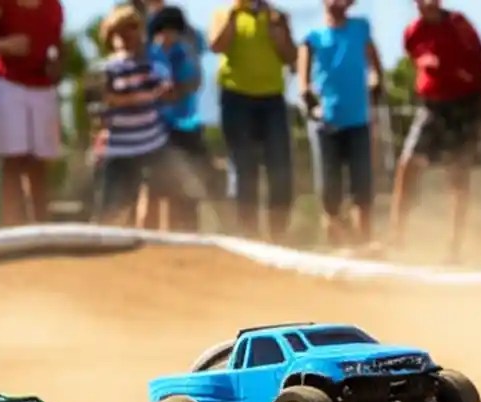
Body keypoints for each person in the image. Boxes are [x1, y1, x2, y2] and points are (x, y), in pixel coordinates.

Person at [391, 0, 481, 264]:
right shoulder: (413, 32)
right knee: (408, 164)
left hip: (462, 105)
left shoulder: (458, 24)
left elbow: (479, 61)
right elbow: (415, 57)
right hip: (432, 106)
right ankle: (397, 235)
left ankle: (454, 246)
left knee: (457, 176)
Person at [209, 0, 297, 242]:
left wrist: (278, 30)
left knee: (280, 168)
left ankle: (278, 235)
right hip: (236, 98)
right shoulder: (224, 13)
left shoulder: (278, 16)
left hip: (272, 99)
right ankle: (247, 234)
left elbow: (291, 56)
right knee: (243, 168)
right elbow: (217, 45)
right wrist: (234, 16)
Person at [299, 0, 383, 253]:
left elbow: (374, 64)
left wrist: (375, 81)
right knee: (329, 190)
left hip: (358, 119)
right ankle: (335, 245)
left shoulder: (361, 28)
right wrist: (310, 99)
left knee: (362, 187)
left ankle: (364, 242)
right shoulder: (312, 36)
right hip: (327, 123)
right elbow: (303, 80)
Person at [0, 0, 65, 227]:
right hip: (7, 83)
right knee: (13, 159)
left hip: (42, 86)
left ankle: (42, 228)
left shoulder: (53, 6)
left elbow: (57, 46)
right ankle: (13, 230)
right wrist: (7, 45)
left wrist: (56, 65)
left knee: (39, 162)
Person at [95, 5, 178, 227]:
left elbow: (168, 93)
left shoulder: (153, 67)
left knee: (154, 201)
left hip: (152, 144)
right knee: (112, 208)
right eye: (120, 30)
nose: (126, 35)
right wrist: (147, 96)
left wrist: (165, 91)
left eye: (131, 28)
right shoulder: (107, 69)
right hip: (119, 149)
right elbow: (107, 100)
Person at [146, 5, 212, 233]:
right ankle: (157, 243)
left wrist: (176, 91)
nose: (168, 34)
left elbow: (194, 81)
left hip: (185, 126)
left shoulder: (185, 51)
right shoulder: (149, 54)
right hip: (156, 129)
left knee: (189, 188)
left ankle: (190, 238)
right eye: (163, 29)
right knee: (157, 191)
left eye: (173, 29)